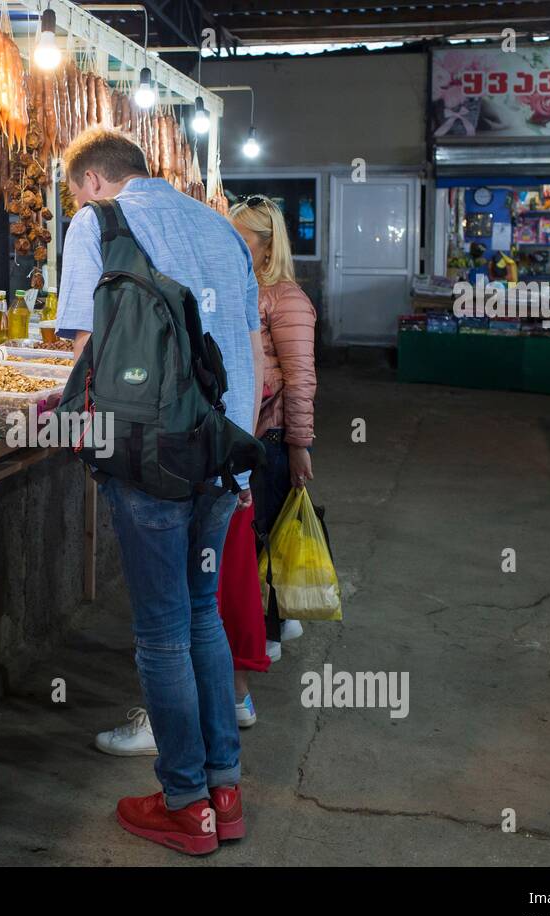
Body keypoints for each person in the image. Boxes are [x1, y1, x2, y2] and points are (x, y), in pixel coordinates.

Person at [56, 127, 264, 855]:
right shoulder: (222, 227)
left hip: (148, 458)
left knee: (162, 631)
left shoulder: (97, 223)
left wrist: (55, 423)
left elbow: (86, 346)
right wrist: (242, 465)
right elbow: (251, 348)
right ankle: (223, 790)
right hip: (220, 454)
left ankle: (183, 801)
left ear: (90, 182)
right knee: (201, 615)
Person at [227, 196, 317, 722]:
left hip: (272, 436)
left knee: (265, 535)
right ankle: (270, 627)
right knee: (256, 534)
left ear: (265, 244)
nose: (234, 244)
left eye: (242, 236)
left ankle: (272, 627)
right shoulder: (247, 291)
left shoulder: (287, 300)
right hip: (250, 434)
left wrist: (299, 443)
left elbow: (301, 380)